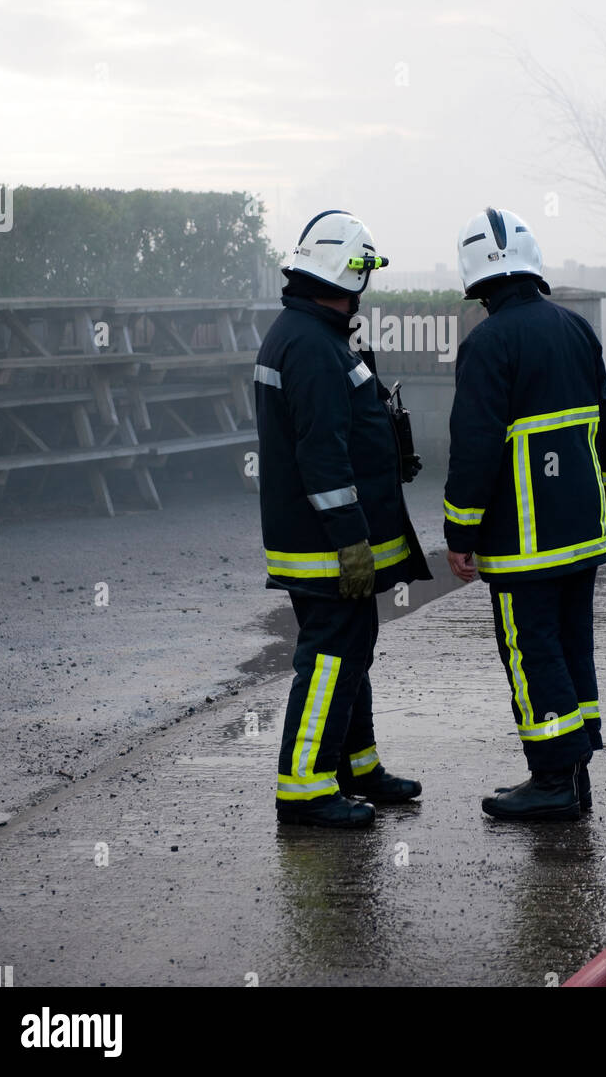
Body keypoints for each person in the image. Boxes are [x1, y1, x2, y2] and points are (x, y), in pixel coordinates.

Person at [443, 207, 606, 822]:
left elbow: (474, 447)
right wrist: (595, 490)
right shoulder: (575, 328)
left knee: (530, 650)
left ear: (475, 279)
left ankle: (551, 781)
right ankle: (575, 775)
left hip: (525, 545)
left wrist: (459, 531)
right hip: (581, 533)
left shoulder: (487, 344)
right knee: (573, 644)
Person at [255, 210, 431, 828]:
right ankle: (305, 788)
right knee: (330, 656)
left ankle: (357, 765)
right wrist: (351, 540)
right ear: (343, 271)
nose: (364, 283)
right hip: (327, 546)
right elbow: (322, 454)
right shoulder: (308, 344)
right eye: (361, 271)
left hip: (329, 542)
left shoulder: (315, 336)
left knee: (352, 651)